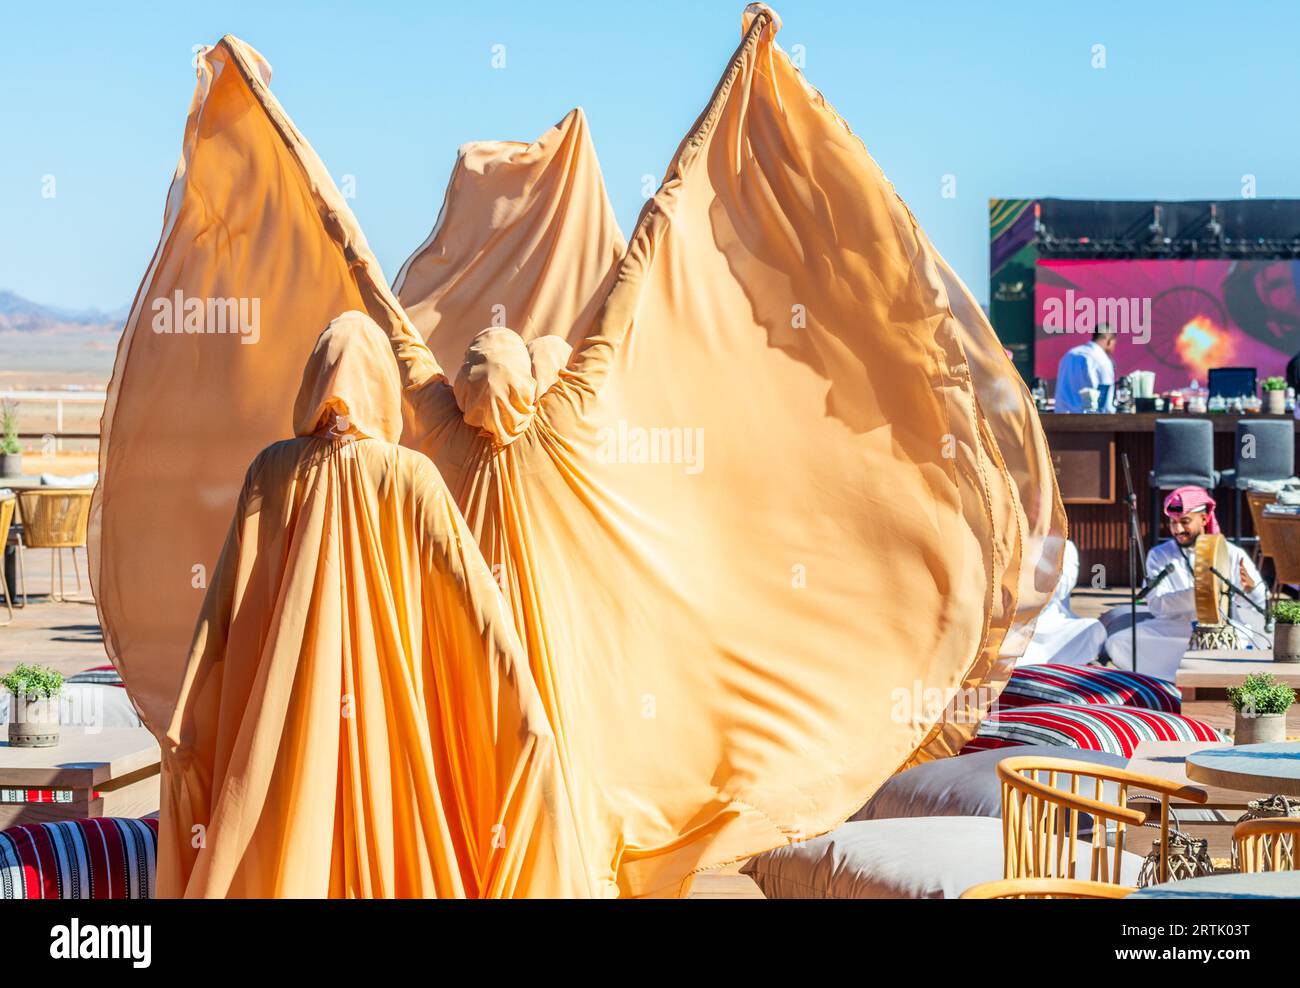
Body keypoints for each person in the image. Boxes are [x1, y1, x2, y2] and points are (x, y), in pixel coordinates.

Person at [156, 312, 592, 898]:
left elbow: (224, 609)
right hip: (390, 722)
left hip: (286, 723)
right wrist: (523, 709)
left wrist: (188, 714)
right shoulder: (410, 476)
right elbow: (475, 606)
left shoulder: (272, 469)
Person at [1104, 486, 1267, 682]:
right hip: (1176, 630)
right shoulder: (1160, 555)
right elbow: (1156, 605)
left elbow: (1260, 606)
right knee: (1120, 642)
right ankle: (1176, 679)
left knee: (1261, 640)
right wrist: (1201, 594)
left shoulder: (1232, 554)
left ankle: (1189, 673)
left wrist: (1251, 590)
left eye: (1185, 522)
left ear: (1204, 519)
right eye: (1173, 522)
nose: (1177, 529)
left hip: (1224, 633)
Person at [1017, 540, 1106, 667]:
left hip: (1055, 626)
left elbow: (1060, 589)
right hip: (1014, 627)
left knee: (1092, 629)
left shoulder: (1064, 545)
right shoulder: (1003, 540)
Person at [1054, 326, 1117, 413]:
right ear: (1109, 340)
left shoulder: (1070, 354)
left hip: (1060, 419)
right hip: (1088, 421)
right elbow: (1106, 404)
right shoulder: (1102, 360)